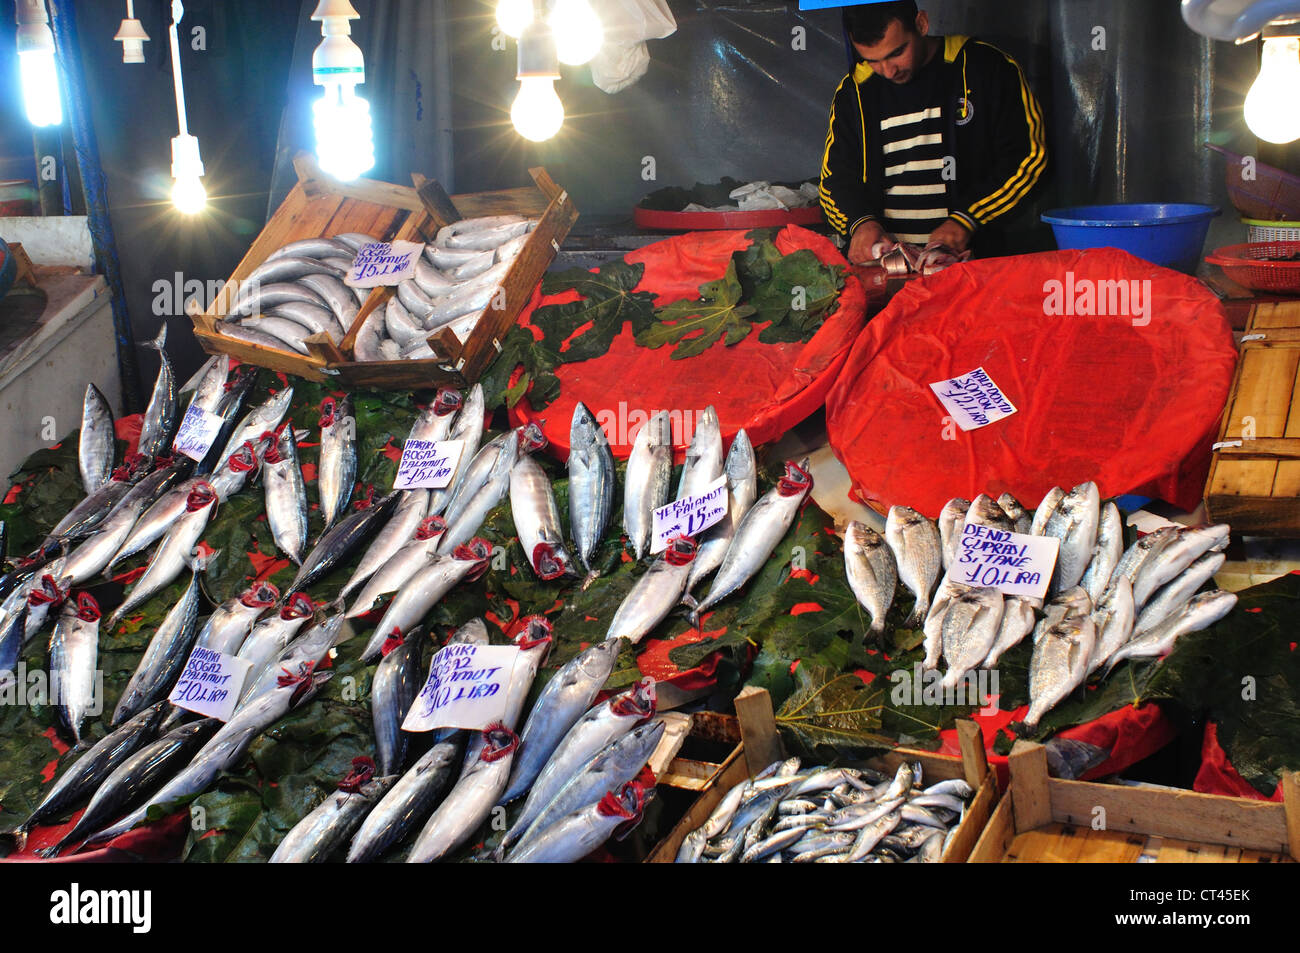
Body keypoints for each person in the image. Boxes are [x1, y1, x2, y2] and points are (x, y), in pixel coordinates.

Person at [819, 1, 1047, 264]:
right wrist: (860, 223)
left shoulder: (984, 67)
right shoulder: (855, 92)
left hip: (975, 268)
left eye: (896, 52)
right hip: (890, 274)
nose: (888, 71)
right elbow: (834, 181)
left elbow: (1030, 156)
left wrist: (967, 219)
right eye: (873, 61)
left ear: (921, 24)